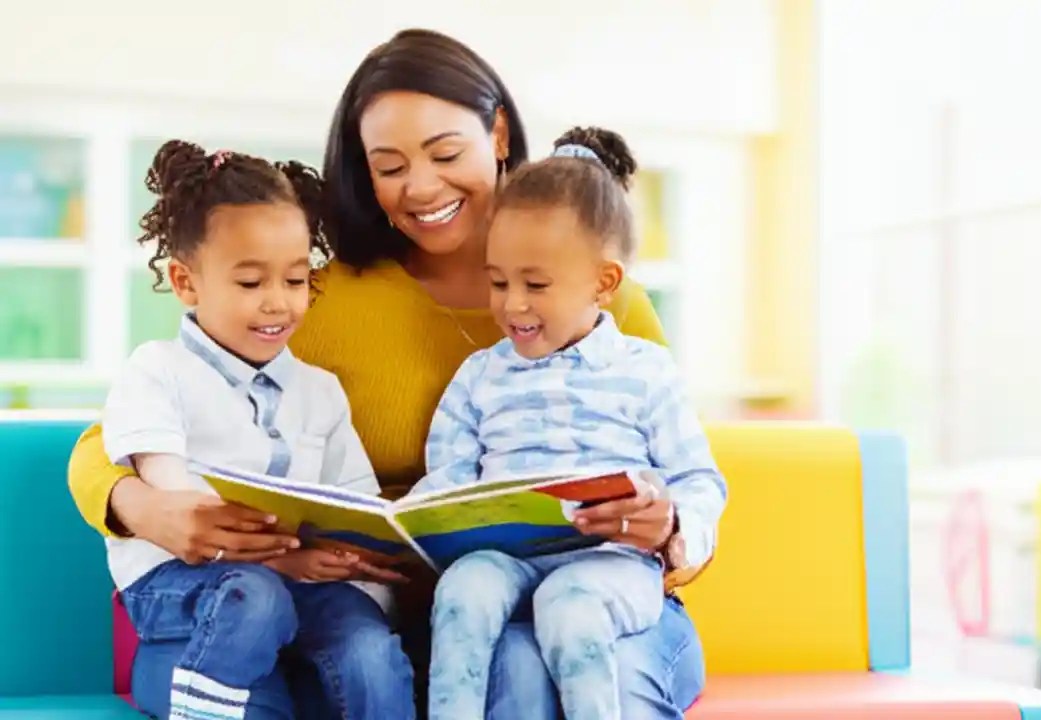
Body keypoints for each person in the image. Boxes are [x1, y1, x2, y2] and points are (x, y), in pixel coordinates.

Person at [67, 29, 708, 719]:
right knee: (487, 667)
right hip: (428, 608)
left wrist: (669, 529)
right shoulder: (324, 295)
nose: (421, 186)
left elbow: (689, 481)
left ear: (497, 134)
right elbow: (112, 439)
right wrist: (146, 508)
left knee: (547, 658)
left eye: (444, 153)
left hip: (608, 595)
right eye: (389, 165)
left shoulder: (605, 297)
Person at [100, 140, 414, 720]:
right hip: (182, 583)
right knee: (255, 599)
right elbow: (180, 506)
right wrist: (279, 563)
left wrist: (359, 550)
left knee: (366, 644)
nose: (278, 304)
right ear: (186, 282)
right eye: (250, 284)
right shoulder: (157, 370)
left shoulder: (319, 390)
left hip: (297, 584)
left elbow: (357, 504)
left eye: (295, 281)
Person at [421, 127, 727, 720]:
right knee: (463, 588)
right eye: (499, 281)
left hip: (613, 565)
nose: (512, 305)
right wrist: (417, 523)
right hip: (506, 556)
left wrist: (676, 526)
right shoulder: (480, 376)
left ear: (603, 284)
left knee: (570, 604)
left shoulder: (645, 370)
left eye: (536, 285)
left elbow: (699, 479)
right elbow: (448, 483)